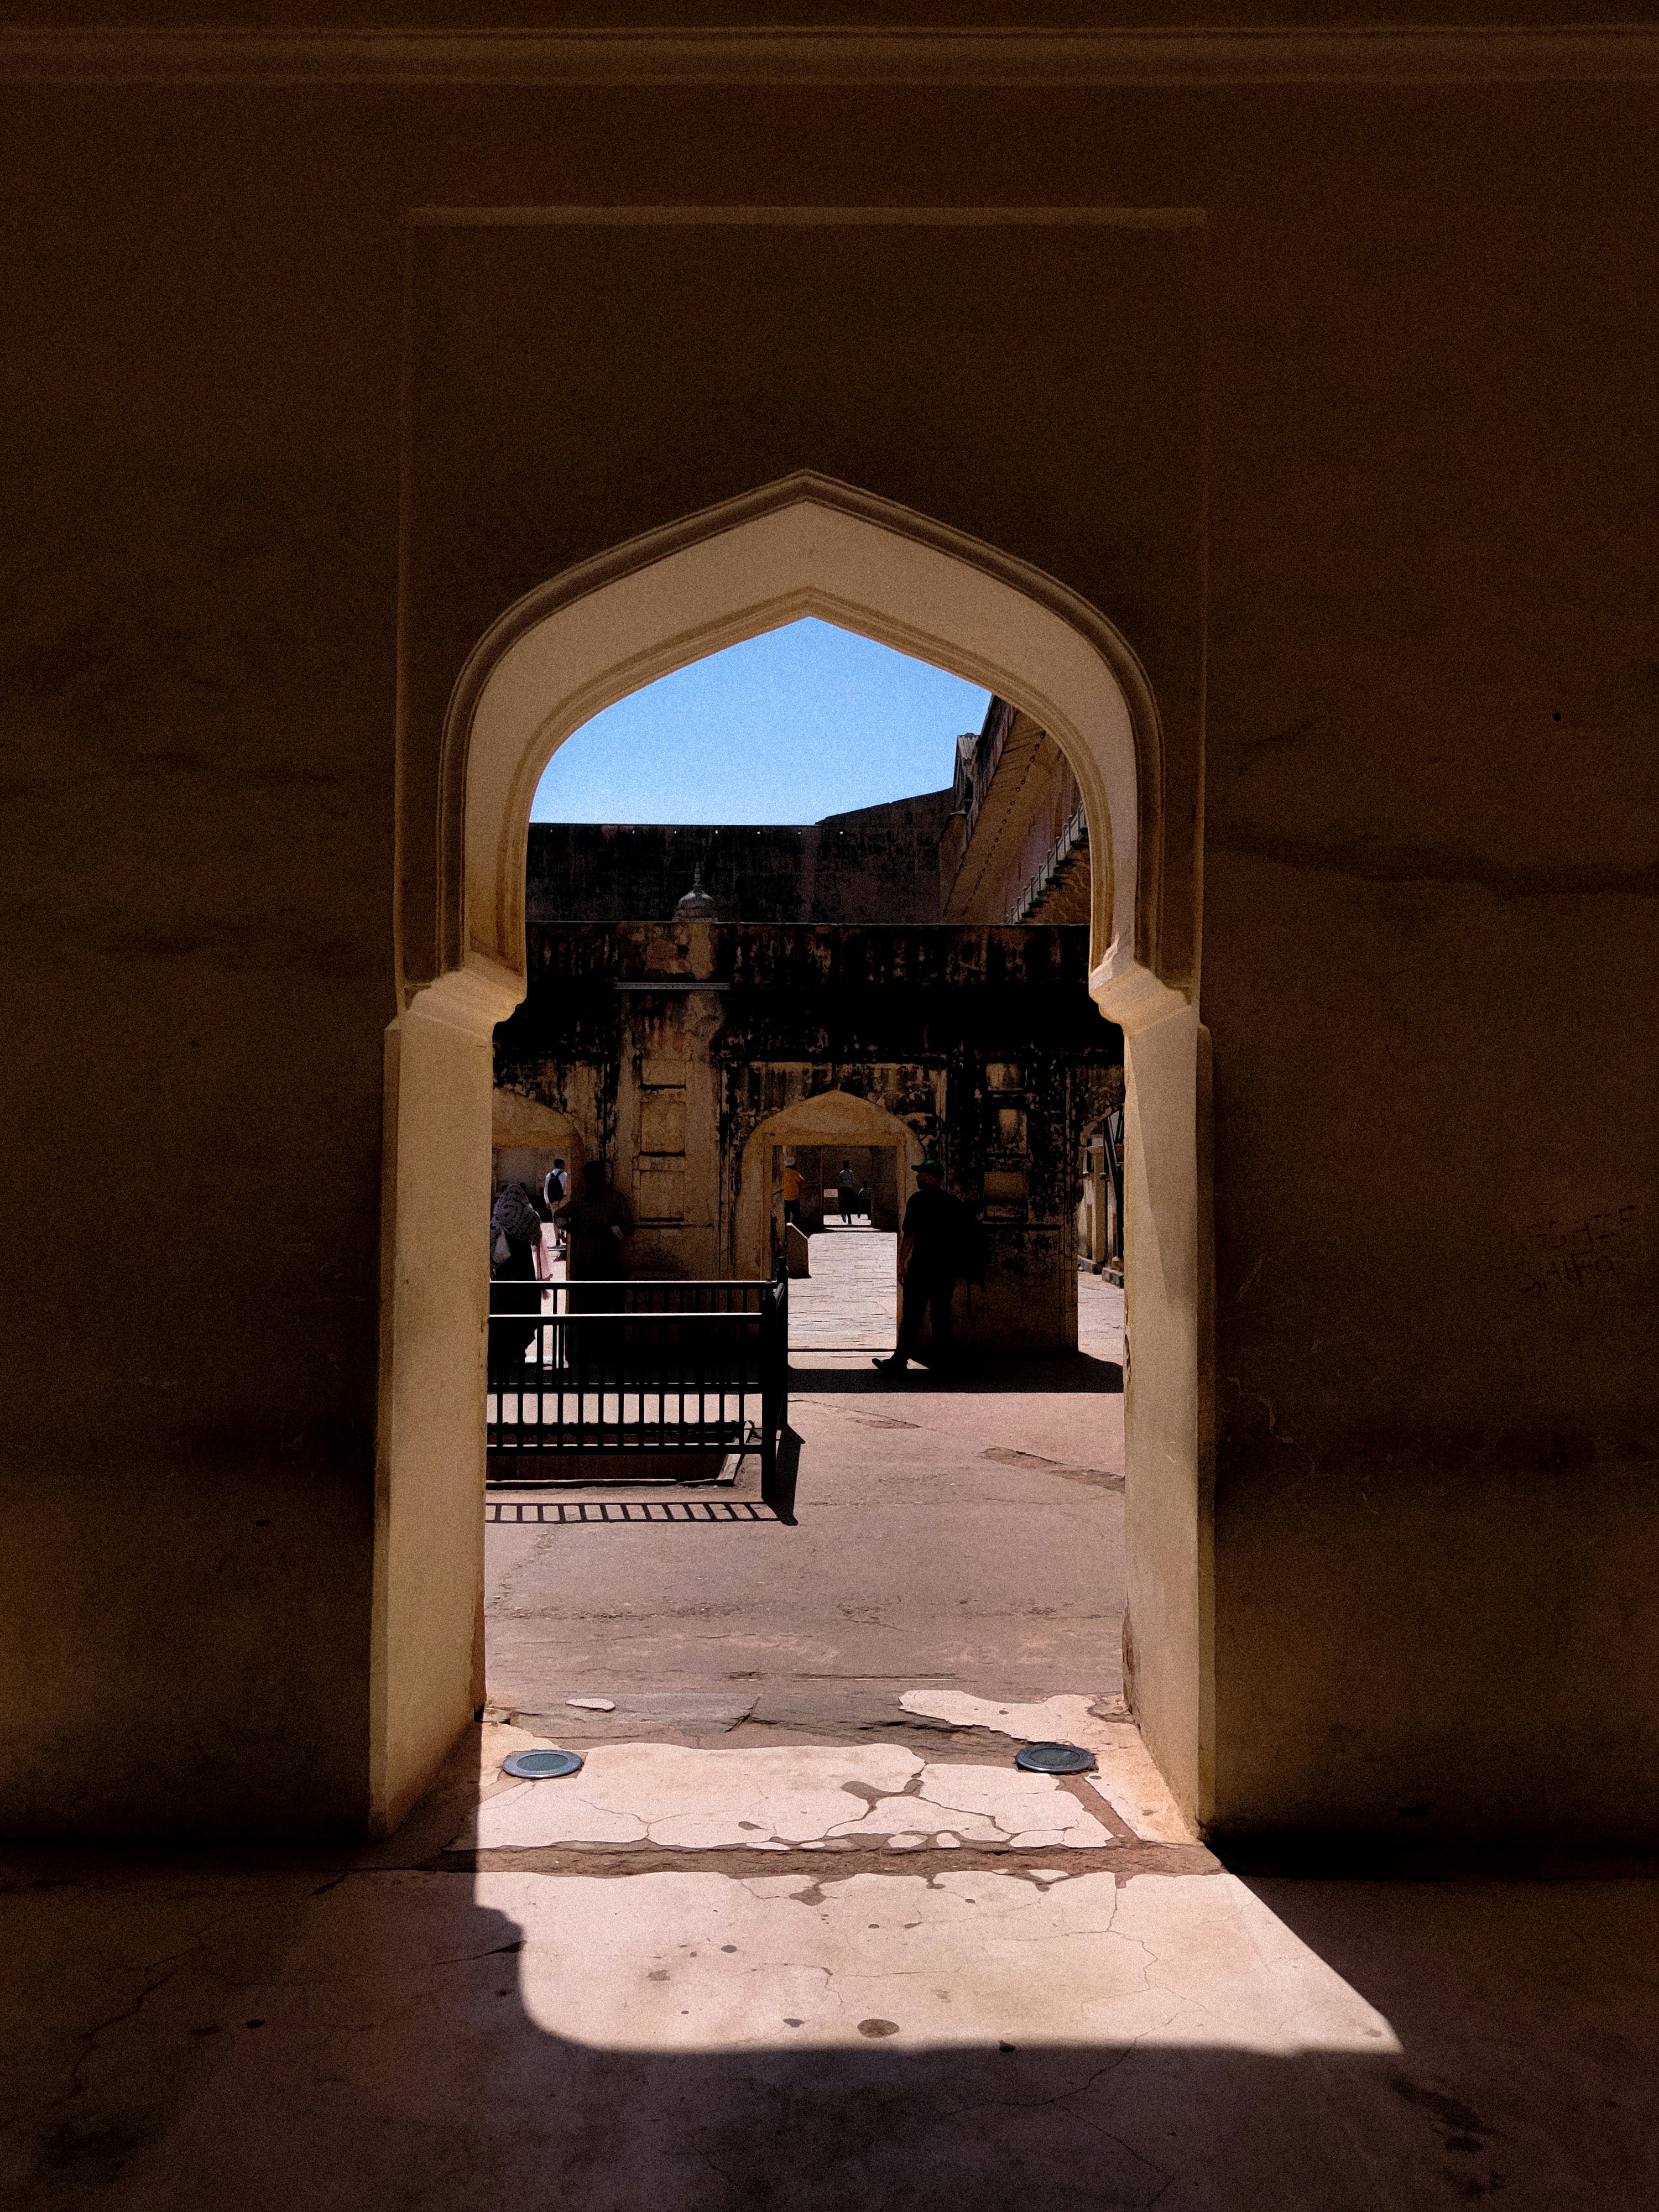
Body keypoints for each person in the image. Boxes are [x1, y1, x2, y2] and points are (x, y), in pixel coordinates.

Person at [874, 1159, 966, 1374]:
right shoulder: (952, 1203)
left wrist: (900, 1262)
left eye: (920, 1174)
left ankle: (899, 1361)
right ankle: (942, 1362)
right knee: (941, 1315)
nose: (917, 1177)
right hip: (946, 1269)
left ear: (930, 1177)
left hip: (923, 1267)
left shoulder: (918, 1201)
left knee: (912, 1316)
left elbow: (911, 1234)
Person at [489, 1179, 551, 1374]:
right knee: (525, 1308)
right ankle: (520, 1350)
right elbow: (536, 1238)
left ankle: (504, 1352)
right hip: (524, 1269)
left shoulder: (499, 1213)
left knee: (504, 1308)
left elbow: (491, 1238)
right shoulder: (530, 1216)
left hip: (505, 1269)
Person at [781, 1155, 804, 1230]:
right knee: (797, 1215)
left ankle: (786, 1232)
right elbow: (802, 1181)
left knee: (786, 1217)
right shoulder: (795, 1173)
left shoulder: (783, 1172)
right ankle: (793, 1229)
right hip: (794, 1198)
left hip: (785, 1197)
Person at [836, 1159, 856, 1224]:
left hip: (844, 1189)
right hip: (849, 1189)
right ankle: (849, 1220)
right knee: (850, 1204)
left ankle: (844, 1214)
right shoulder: (851, 1172)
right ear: (849, 1165)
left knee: (845, 1203)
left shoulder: (841, 1173)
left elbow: (840, 1182)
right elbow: (853, 1181)